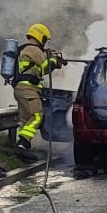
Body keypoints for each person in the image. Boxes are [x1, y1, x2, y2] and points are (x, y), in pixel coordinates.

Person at [13, 22, 65, 160]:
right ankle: (23, 144)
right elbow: (45, 67)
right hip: (27, 89)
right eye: (45, 39)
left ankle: (22, 148)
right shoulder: (33, 49)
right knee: (37, 116)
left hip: (23, 88)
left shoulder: (27, 49)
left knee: (26, 119)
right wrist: (54, 59)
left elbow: (38, 68)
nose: (45, 42)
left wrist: (55, 61)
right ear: (40, 37)